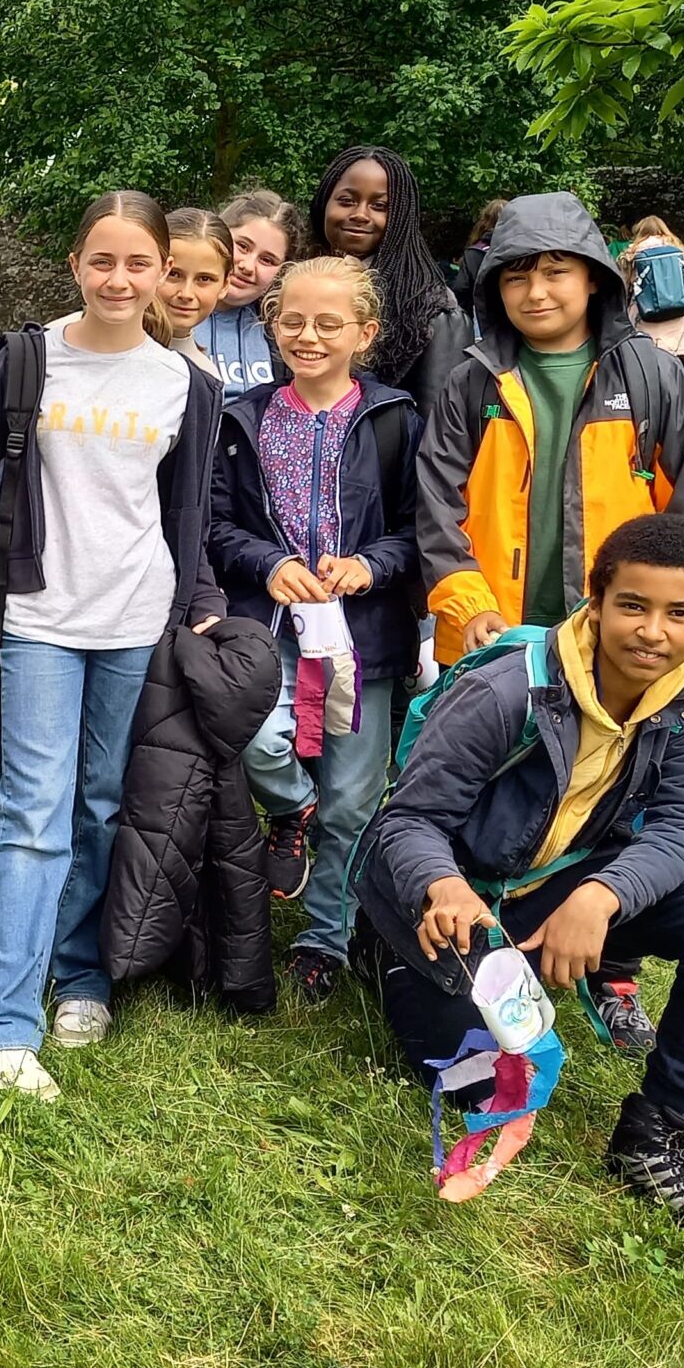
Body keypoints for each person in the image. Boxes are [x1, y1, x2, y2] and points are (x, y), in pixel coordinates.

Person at [356, 515, 684, 1251]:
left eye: (680, 614)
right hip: (449, 906)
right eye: (633, 606)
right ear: (595, 599)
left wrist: (600, 896)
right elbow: (408, 822)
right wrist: (443, 888)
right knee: (487, 1080)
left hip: (558, 885)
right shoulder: (504, 690)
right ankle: (387, 958)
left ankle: (655, 1136)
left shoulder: (681, 694)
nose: (653, 632)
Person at [0, 191, 228, 1100]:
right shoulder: (28, 358)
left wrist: (201, 599)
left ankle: (83, 973)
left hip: (135, 617)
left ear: (163, 274)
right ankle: (3, 1024)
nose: (121, 279)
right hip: (39, 616)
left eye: (141, 264)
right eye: (104, 261)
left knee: (102, 804)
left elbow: (191, 512)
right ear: (75, 265)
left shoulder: (187, 386)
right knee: (34, 810)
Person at [417, 190, 684, 1052]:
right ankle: (476, 951)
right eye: (516, 274)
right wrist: (469, 608)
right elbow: (436, 509)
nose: (536, 290)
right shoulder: (470, 377)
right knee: (482, 793)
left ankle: (608, 964)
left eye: (556, 271)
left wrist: (673, 623)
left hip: (612, 643)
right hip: (497, 640)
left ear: (594, 280)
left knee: (618, 802)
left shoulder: (650, 376)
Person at [207, 254, 423, 1004]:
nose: (308, 335)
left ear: (364, 332)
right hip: (269, 630)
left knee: (356, 799)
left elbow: (417, 528)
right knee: (255, 740)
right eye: (292, 320)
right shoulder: (243, 419)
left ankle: (325, 934)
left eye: (329, 323)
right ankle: (291, 806)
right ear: (271, 326)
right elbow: (217, 524)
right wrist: (267, 563)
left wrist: (371, 565)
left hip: (362, 638)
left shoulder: (394, 418)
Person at [304, 147, 468, 419]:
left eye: (379, 206)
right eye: (346, 200)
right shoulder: (291, 284)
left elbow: (438, 426)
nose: (360, 214)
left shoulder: (434, 310)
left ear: (401, 217)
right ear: (323, 203)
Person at [189, 188, 306, 394]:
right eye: (242, 246)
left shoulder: (283, 333)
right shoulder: (161, 315)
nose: (248, 266)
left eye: (267, 260)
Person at [621, 215, 684, 365]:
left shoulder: (632, 256)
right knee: (670, 364)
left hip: (643, 316)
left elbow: (622, 290)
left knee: (645, 364)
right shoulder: (679, 254)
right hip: (676, 316)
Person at [160, 207, 234, 377]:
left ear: (225, 284)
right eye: (174, 274)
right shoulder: (94, 339)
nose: (186, 294)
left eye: (204, 279)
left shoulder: (206, 377)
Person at [451, 200, 507, 315]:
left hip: (484, 315)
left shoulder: (473, 253)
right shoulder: (521, 247)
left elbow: (461, 287)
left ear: (485, 221)